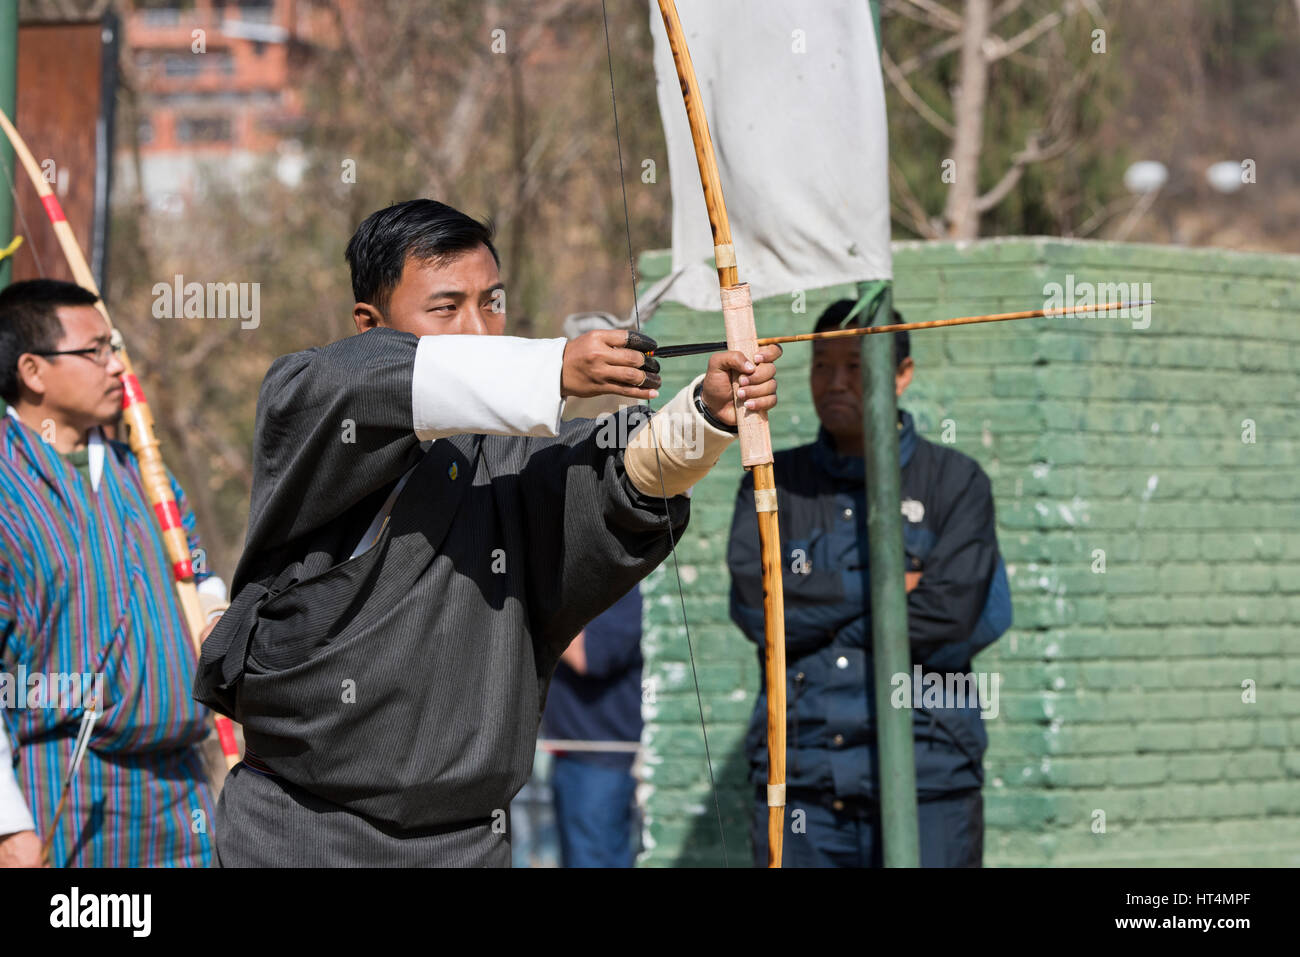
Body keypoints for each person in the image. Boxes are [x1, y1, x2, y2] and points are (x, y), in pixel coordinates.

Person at [196, 198, 782, 867]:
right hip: (299, 832)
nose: (480, 328)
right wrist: (553, 370)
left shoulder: (517, 449)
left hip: (467, 842)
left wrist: (704, 416)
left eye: (493, 302)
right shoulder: (317, 400)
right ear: (370, 323)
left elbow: (617, 485)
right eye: (446, 308)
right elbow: (369, 380)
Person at [727, 299, 1011, 868]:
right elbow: (758, 611)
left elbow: (952, 616)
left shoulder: (955, 483)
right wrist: (891, 589)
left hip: (930, 781)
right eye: (820, 366)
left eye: (856, 367)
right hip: (802, 783)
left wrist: (818, 610)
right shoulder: (774, 486)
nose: (834, 382)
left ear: (900, 374)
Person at [0, 279, 226, 867]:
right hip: (63, 788)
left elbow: (196, 575)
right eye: (95, 350)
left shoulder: (142, 469)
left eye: (115, 346)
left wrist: (216, 615)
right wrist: (9, 827)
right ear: (33, 371)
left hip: (181, 785)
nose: (116, 366)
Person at [542, 584, 644, 867]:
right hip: (577, 759)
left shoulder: (624, 589)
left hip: (600, 763)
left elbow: (590, 656)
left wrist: (537, 613)